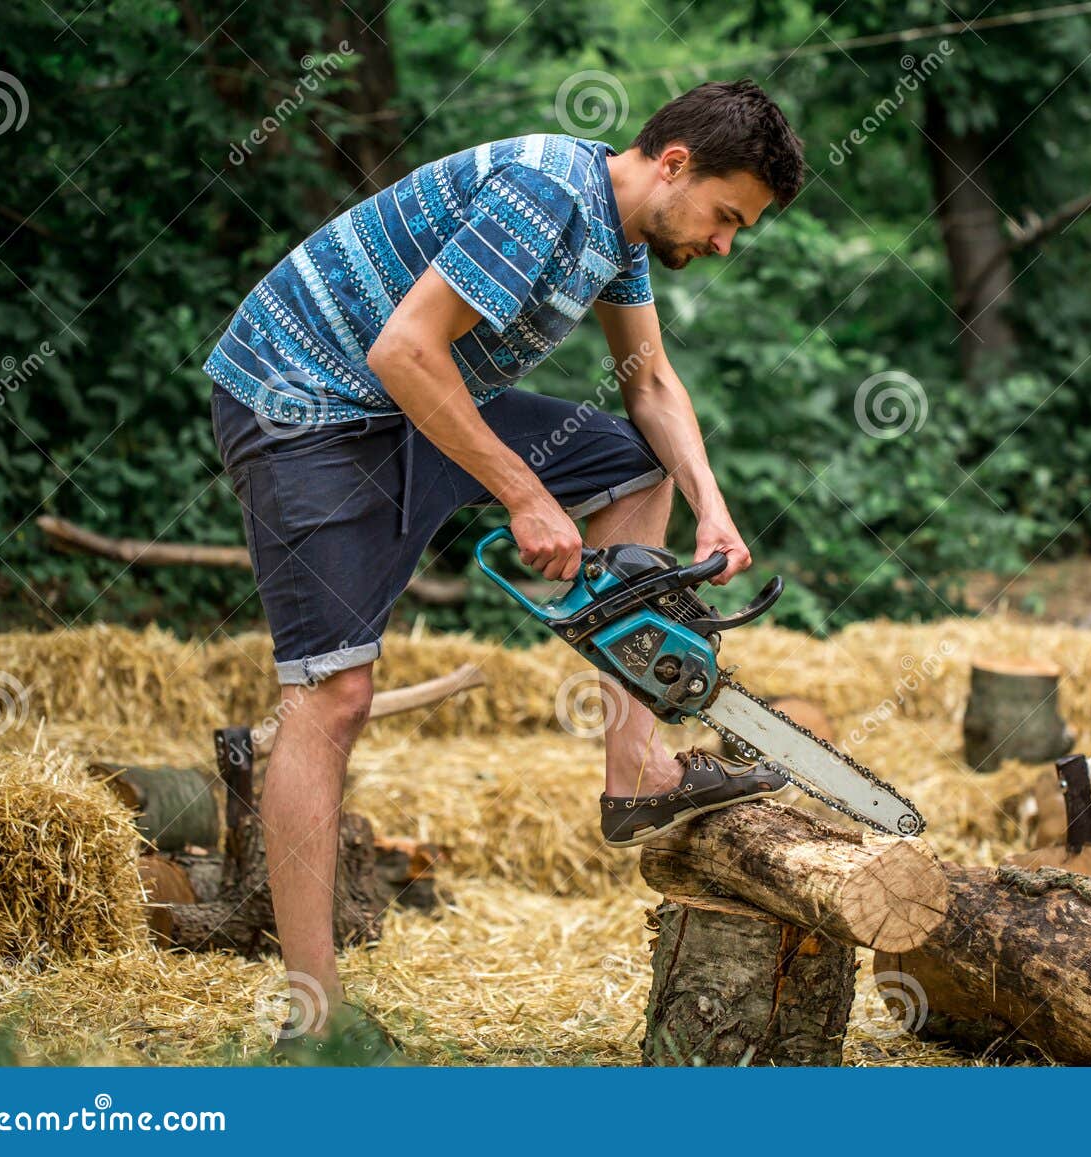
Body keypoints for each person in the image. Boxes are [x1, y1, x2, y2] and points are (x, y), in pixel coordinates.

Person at [203, 79, 805, 1060]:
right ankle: (312, 1025)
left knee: (636, 463)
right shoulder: (547, 193)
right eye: (726, 216)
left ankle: (638, 767)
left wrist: (712, 501)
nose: (725, 242)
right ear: (674, 164)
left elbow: (649, 381)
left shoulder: (617, 236)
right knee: (334, 696)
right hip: (303, 403)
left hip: (404, 399)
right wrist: (525, 493)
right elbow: (404, 348)